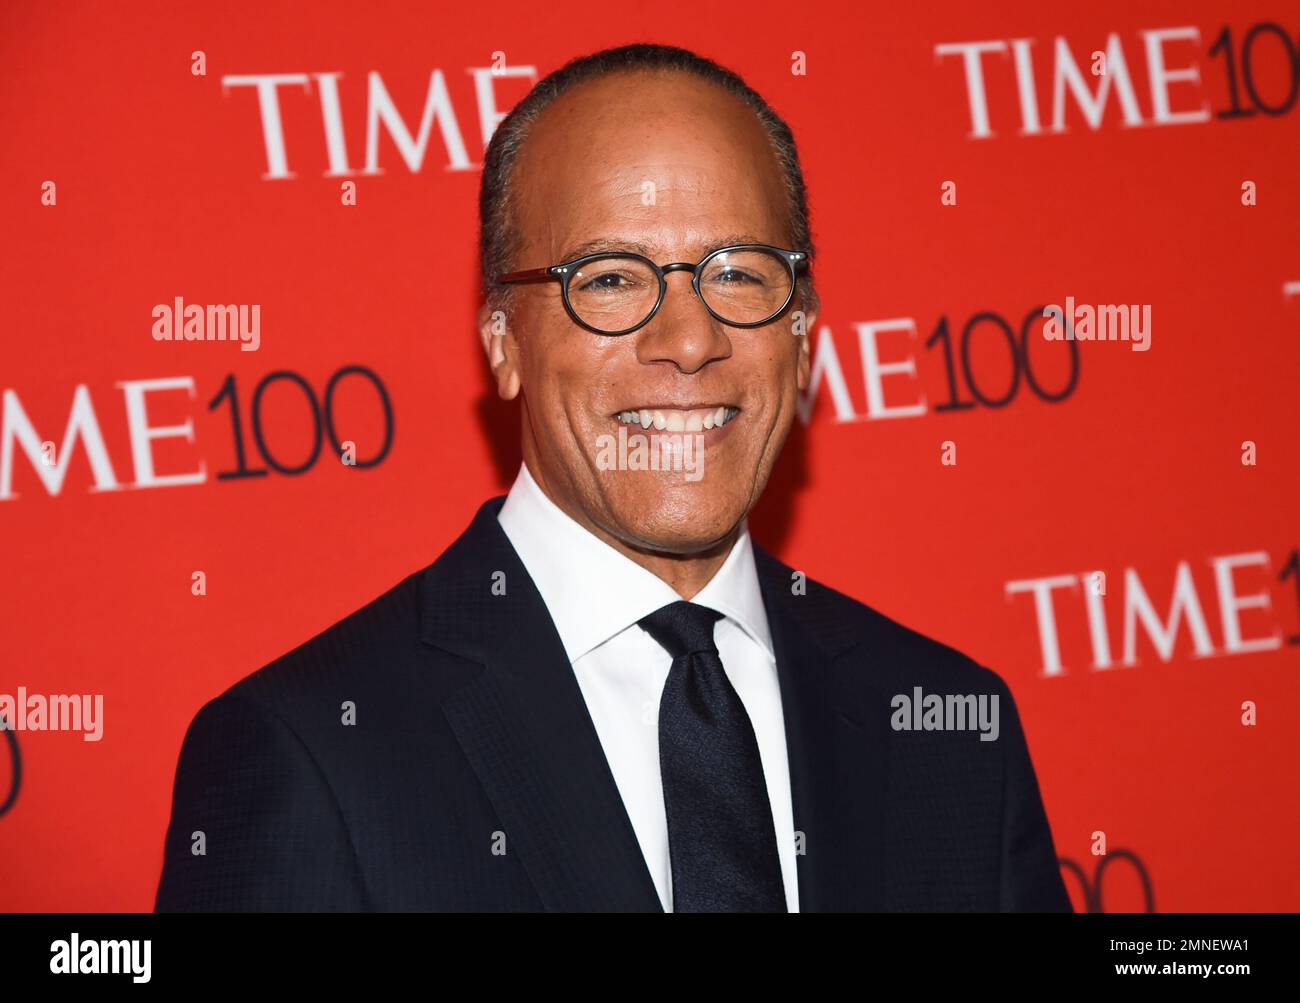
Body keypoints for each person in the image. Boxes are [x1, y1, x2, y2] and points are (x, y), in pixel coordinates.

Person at [155, 43, 1071, 912]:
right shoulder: (311, 753)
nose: (688, 339)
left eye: (740, 273)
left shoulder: (953, 730)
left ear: (804, 336)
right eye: (609, 279)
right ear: (502, 342)